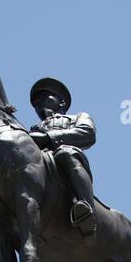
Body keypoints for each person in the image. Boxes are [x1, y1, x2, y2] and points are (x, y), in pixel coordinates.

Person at [29, 77, 98, 233]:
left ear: (61, 102)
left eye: (45, 97)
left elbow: (87, 133)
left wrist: (48, 138)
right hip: (41, 163)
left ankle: (85, 208)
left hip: (69, 159)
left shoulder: (78, 117)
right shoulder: (32, 129)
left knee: (64, 153)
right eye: (36, 102)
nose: (39, 102)